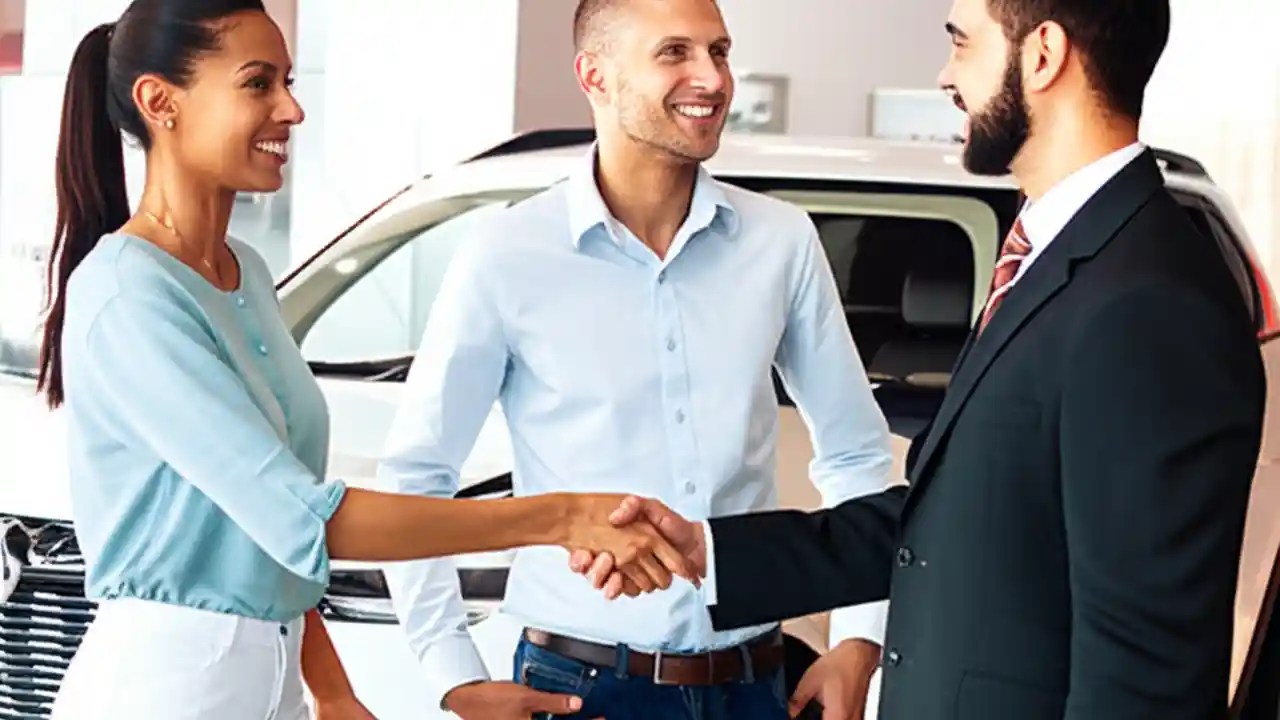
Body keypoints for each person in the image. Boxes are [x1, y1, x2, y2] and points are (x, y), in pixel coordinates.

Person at [580, 0, 1268, 718]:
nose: (944, 76)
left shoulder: (1149, 304)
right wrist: (705, 551)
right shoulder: (1059, 257)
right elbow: (954, 518)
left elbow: (1144, 674)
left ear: (1042, 55)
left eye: (962, 45)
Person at [37, 3, 693, 719]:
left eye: (288, 80)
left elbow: (267, 526)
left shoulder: (244, 273)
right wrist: (562, 517)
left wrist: (331, 688)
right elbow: (307, 522)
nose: (291, 109)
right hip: (162, 690)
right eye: (258, 84)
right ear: (160, 102)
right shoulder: (128, 292)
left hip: (271, 680)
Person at [375, 0, 897, 717]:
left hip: (756, 684)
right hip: (578, 689)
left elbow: (856, 455)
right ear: (595, 74)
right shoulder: (507, 255)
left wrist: (859, 640)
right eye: (675, 53)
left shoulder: (781, 242)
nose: (711, 78)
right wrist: (452, 671)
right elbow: (417, 475)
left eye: (719, 51)